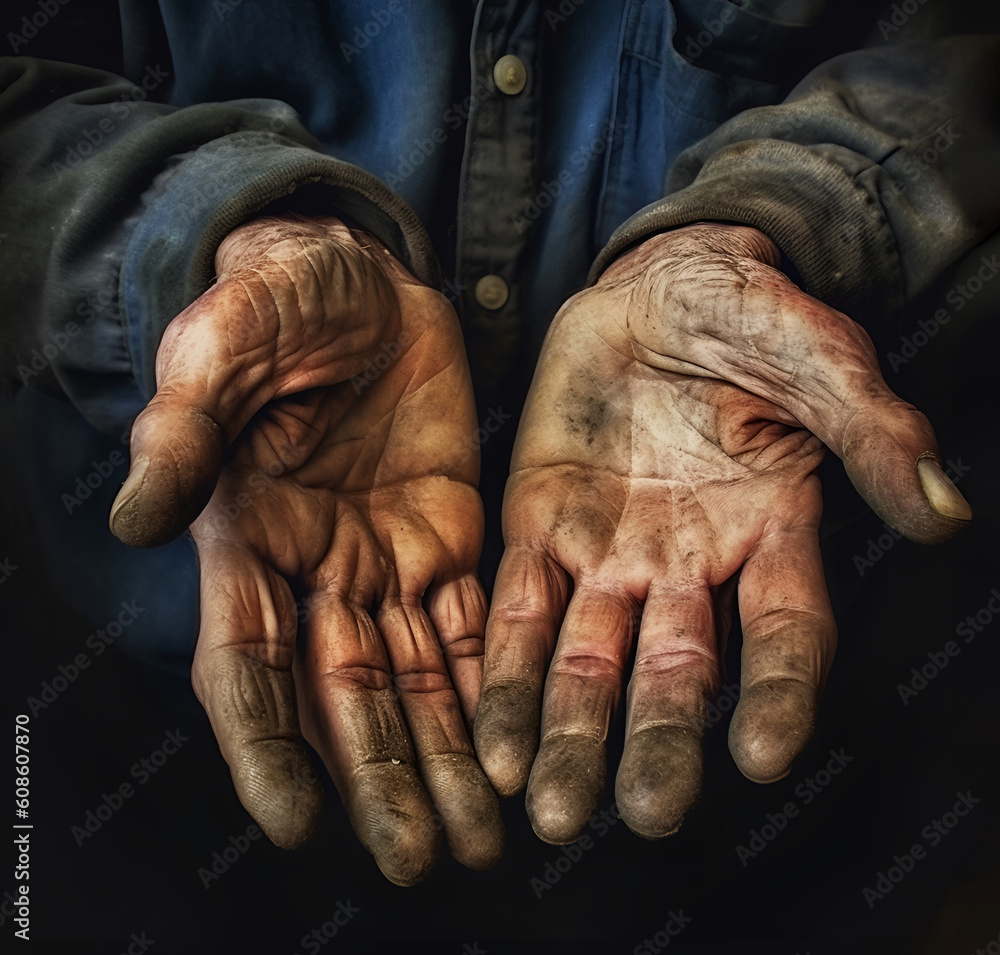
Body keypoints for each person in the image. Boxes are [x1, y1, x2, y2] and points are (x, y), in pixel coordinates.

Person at [1, 0, 996, 887]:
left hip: (774, 677)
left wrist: (793, 213)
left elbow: (962, 48)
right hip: (167, 672)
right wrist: (194, 239)